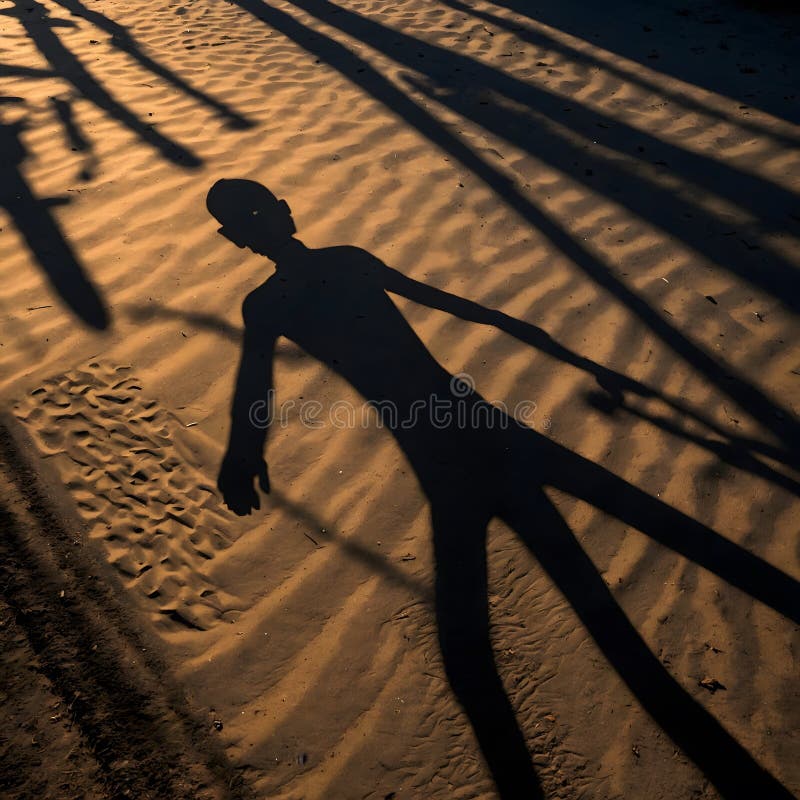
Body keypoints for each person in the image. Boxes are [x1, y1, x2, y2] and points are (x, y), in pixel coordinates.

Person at [207, 178, 796, 800]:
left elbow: (435, 309)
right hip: (471, 436)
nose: (267, 220)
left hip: (454, 444)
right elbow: (262, 381)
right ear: (252, 230)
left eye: (261, 209)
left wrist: (243, 452)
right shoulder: (302, 285)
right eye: (254, 215)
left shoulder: (292, 289)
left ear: (265, 221)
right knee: (594, 567)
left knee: (533, 599)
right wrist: (242, 451)